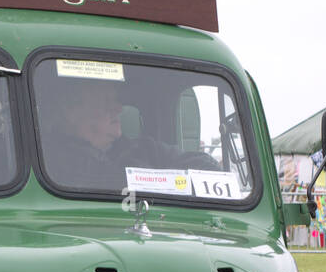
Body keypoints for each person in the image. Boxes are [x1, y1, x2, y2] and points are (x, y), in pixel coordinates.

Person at [42, 80, 217, 191]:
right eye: (105, 101)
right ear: (70, 110)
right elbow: (108, 181)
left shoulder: (143, 149)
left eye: (116, 100)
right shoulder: (47, 160)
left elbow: (207, 168)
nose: (118, 109)